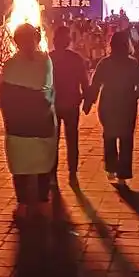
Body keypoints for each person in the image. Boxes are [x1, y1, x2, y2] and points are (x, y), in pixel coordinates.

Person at [0, 24, 56, 220]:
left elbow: (5, 96)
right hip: (42, 122)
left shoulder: (9, 65)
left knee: (20, 166)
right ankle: (42, 202)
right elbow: (49, 91)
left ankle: (23, 204)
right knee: (42, 164)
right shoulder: (45, 60)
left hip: (18, 125)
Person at [85, 30, 139, 186]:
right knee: (126, 138)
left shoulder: (105, 62)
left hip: (108, 103)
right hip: (127, 104)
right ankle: (123, 175)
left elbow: (95, 84)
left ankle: (111, 168)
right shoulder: (132, 63)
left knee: (109, 136)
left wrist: (88, 102)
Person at [50, 25, 89, 185]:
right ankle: (72, 173)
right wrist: (87, 101)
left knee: (53, 140)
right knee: (72, 139)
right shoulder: (76, 58)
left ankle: (52, 174)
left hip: (54, 104)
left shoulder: (48, 58)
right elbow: (85, 82)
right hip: (71, 104)